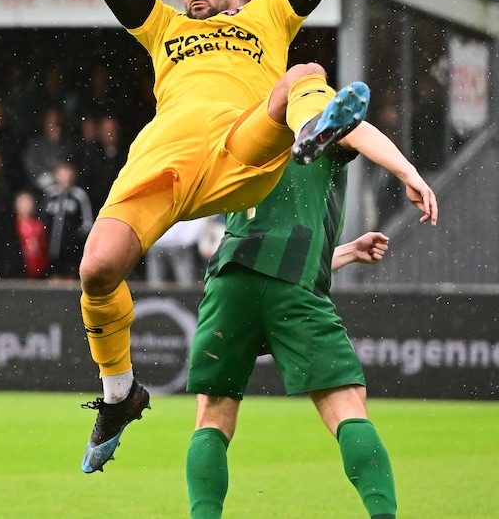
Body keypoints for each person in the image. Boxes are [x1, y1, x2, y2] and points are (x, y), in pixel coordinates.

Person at [81, 0, 368, 473]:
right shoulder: (163, 28)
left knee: (303, 72)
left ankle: (312, 130)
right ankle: (120, 397)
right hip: (162, 163)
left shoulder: (267, 13)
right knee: (97, 269)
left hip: (241, 149)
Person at [186, 109, 437, 519]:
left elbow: (268, 236)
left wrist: (348, 252)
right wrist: (410, 174)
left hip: (231, 276)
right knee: (348, 408)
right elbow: (359, 129)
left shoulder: (243, 133)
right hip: (291, 284)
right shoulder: (317, 127)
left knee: (212, 416)